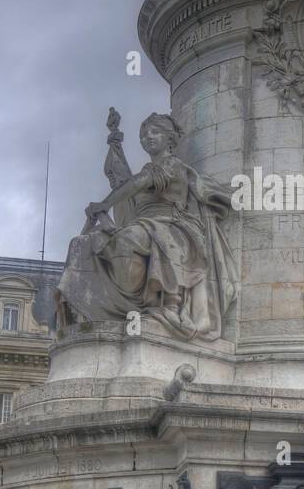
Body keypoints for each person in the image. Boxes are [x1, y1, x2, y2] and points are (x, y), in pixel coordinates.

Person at [56, 113, 237, 340]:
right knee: (82, 243)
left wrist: (105, 203)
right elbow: (128, 185)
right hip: (145, 225)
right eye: (144, 134)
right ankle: (94, 308)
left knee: (130, 238)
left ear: (170, 139)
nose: (148, 137)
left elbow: (139, 182)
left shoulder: (172, 165)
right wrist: (114, 143)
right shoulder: (149, 169)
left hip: (175, 227)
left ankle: (165, 304)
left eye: (155, 132)